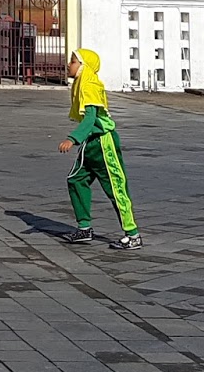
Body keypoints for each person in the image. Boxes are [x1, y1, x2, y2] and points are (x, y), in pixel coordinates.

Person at [57, 48, 141, 249]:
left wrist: (72, 139)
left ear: (84, 66)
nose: (69, 65)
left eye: (73, 61)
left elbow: (91, 117)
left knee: (115, 187)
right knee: (76, 179)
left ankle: (133, 234)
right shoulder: (81, 83)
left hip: (104, 142)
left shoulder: (90, 85)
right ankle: (84, 228)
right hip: (91, 143)